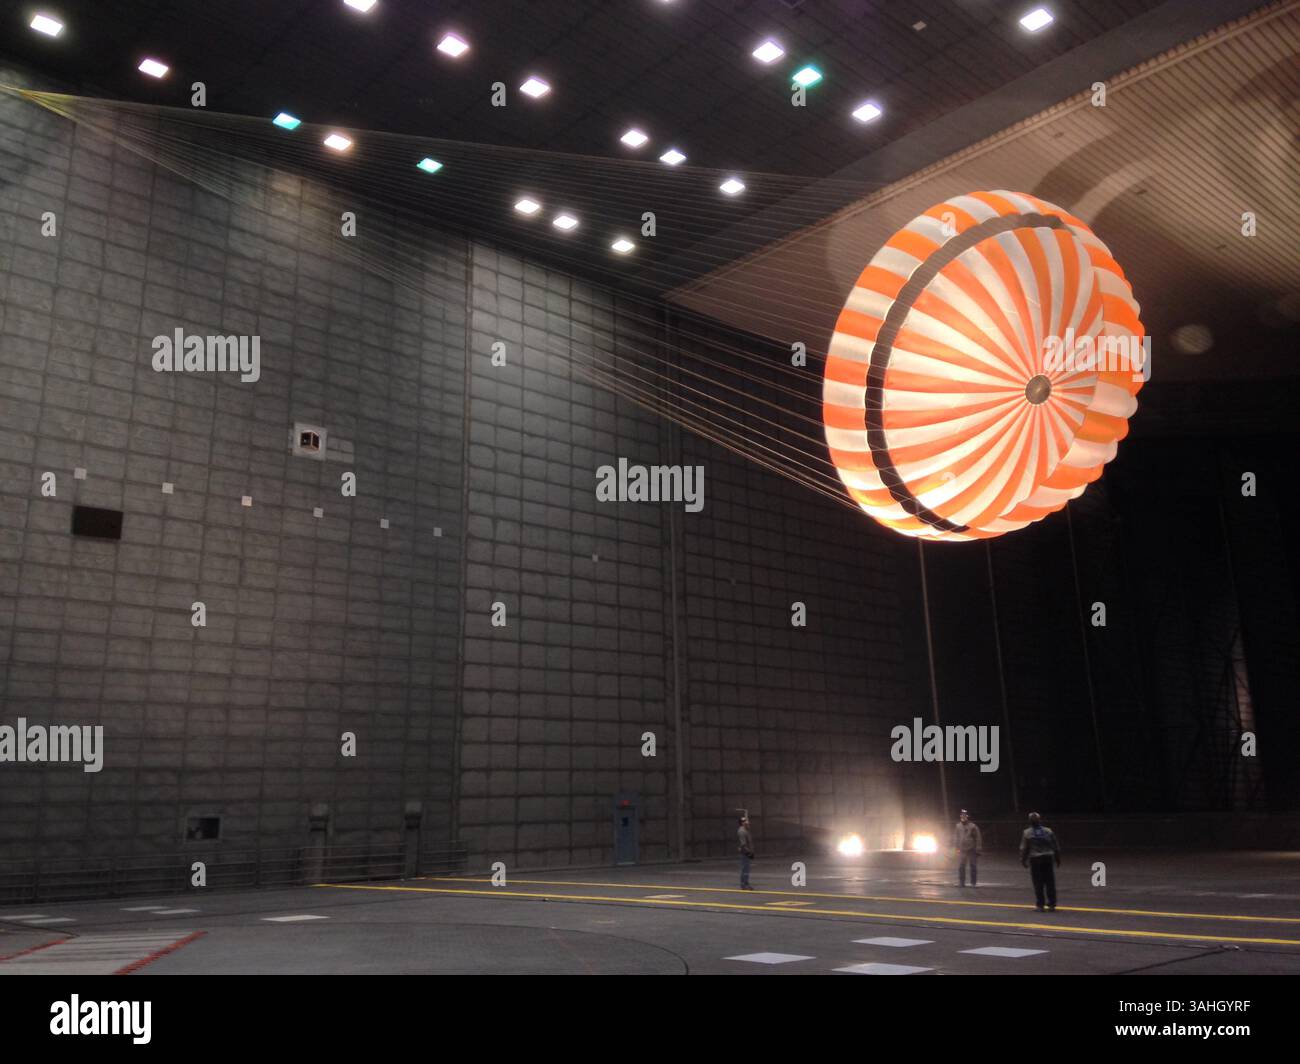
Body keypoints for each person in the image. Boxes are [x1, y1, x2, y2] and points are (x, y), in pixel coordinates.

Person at [1019, 812, 1061, 911]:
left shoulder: (1027, 832)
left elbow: (1024, 848)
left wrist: (1023, 860)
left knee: (1038, 882)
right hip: (1048, 858)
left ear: (1029, 821)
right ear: (1040, 820)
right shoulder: (1048, 831)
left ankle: (1040, 905)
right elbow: (1055, 846)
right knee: (1050, 882)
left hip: (1035, 859)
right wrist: (1058, 858)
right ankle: (1052, 904)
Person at [951, 809, 982, 887]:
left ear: (967, 817)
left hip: (972, 849)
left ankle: (973, 883)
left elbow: (978, 837)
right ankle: (961, 883)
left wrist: (978, 848)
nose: (963, 817)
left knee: (973, 866)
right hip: (962, 849)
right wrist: (956, 847)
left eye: (965, 815)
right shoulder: (958, 826)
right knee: (961, 866)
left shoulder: (973, 826)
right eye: (962, 815)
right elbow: (956, 837)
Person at [737, 816, 755, 890]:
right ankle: (744, 884)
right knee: (745, 869)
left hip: (746, 852)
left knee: (746, 869)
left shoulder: (746, 830)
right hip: (745, 853)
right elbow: (743, 845)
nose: (747, 822)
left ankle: (745, 883)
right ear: (742, 823)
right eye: (745, 821)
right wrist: (749, 853)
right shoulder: (742, 831)